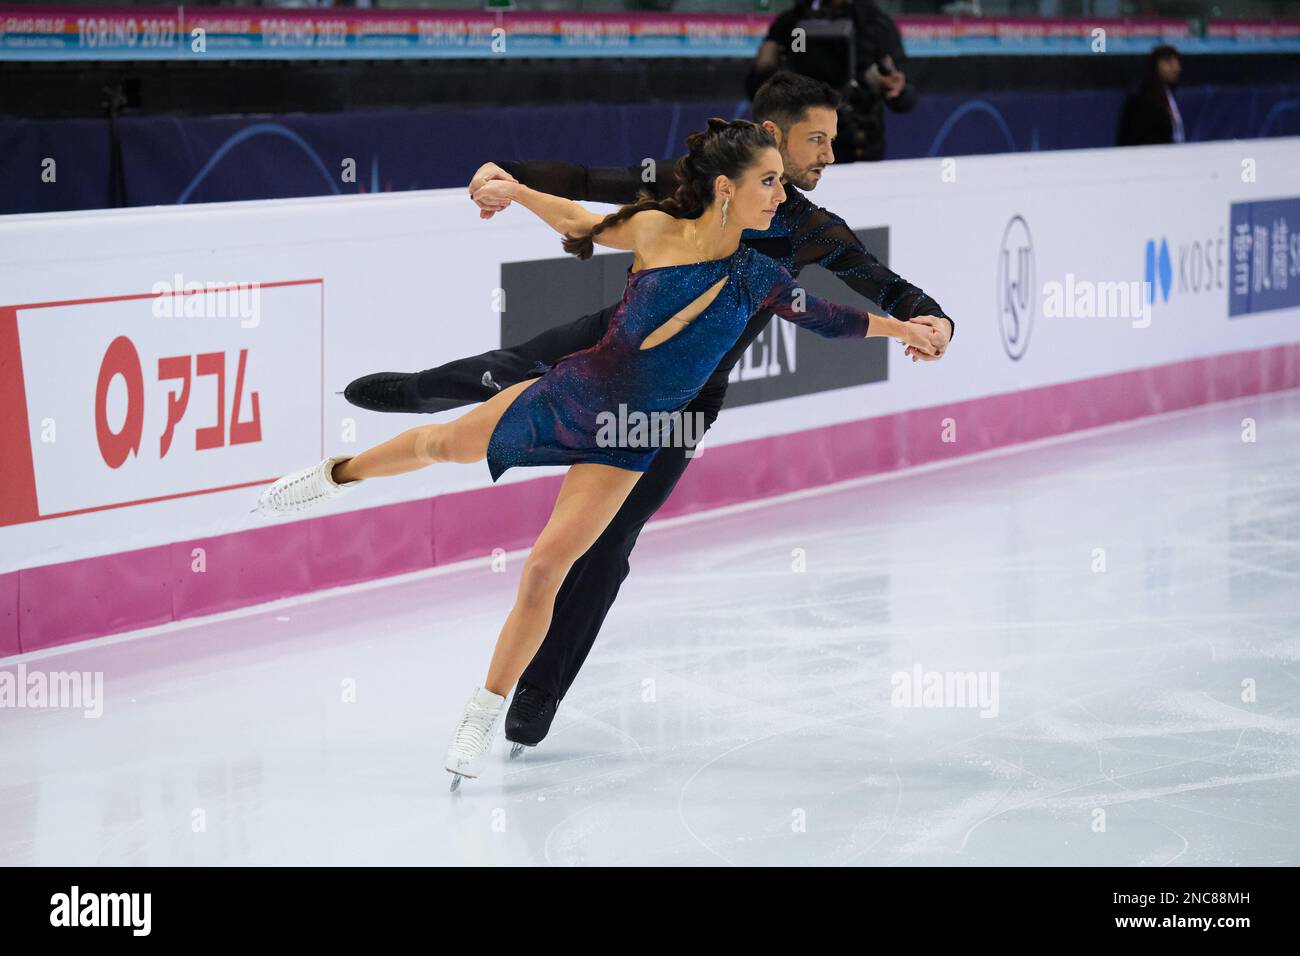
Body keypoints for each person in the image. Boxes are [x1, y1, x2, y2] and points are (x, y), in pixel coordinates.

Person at [255, 119, 944, 787]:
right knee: (442, 442)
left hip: (633, 437)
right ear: (727, 189)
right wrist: (518, 191)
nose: (779, 195)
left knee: (545, 567)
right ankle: (333, 475)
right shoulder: (656, 230)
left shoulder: (760, 276)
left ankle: (485, 709)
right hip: (573, 395)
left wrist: (904, 329)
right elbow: (578, 220)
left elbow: (834, 319)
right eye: (767, 182)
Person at [748, 0, 916, 163]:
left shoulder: (873, 22)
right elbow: (756, 91)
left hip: (861, 144)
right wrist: (764, 71)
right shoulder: (790, 23)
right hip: (803, 145)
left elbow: (906, 97)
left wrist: (897, 90)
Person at [1117, 45, 1185, 147]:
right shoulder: (1142, 98)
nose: (1176, 68)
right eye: (1169, 63)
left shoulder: (1168, 94)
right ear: (1155, 66)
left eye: (1176, 62)